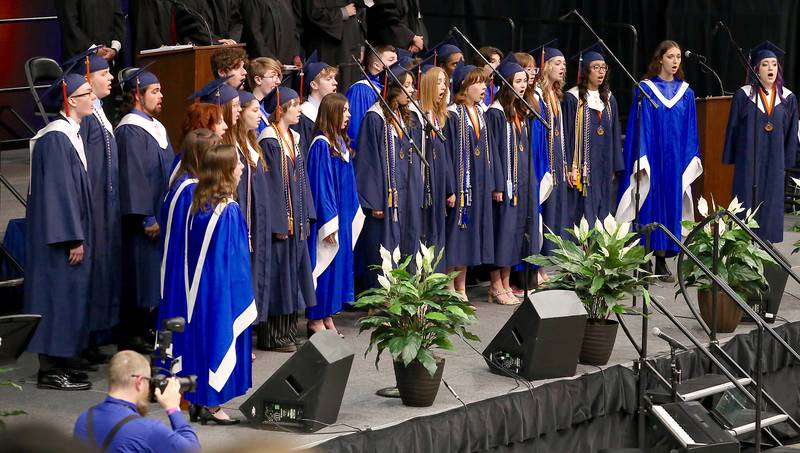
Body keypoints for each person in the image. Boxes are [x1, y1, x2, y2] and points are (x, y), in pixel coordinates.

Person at [25, 72, 97, 391]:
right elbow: (60, 192)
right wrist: (73, 237)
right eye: (87, 93)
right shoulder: (56, 137)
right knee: (55, 298)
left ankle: (63, 362)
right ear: (70, 100)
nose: (94, 98)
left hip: (67, 235)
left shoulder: (71, 134)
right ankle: (50, 369)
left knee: (69, 297)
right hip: (58, 240)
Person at [616, 40, 702, 281]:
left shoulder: (686, 93)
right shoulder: (645, 90)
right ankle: (644, 259)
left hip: (674, 161)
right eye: (671, 56)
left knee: (669, 206)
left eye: (678, 57)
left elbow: (690, 131)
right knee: (649, 203)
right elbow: (637, 127)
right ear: (660, 59)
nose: (675, 61)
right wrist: (641, 156)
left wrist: (688, 159)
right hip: (652, 157)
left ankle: (662, 260)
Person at [183, 144, 256, 424]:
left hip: (200, 288)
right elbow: (235, 262)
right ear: (226, 171)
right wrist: (245, 298)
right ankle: (212, 404)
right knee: (219, 334)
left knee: (204, 337)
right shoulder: (229, 211)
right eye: (237, 164)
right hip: (222, 289)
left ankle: (200, 398)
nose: (241, 168)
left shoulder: (198, 205)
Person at [64, 48, 122, 361]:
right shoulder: (84, 119)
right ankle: (84, 340)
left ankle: (93, 338)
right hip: (93, 203)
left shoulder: (98, 111)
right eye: (103, 73)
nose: (110, 77)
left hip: (105, 202)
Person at [116, 66, 174, 353]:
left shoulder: (156, 126)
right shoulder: (129, 130)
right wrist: (146, 216)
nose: (161, 96)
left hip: (161, 218)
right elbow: (132, 176)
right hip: (141, 224)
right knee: (139, 275)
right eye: (155, 91)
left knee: (153, 276)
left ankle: (148, 325)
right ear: (138, 96)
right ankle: (133, 333)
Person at [157, 129, 219, 379]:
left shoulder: (182, 183)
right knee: (181, 316)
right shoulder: (189, 191)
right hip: (184, 268)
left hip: (176, 264)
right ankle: (177, 377)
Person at [354, 63, 423, 289]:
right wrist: (374, 201)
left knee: (405, 240)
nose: (411, 91)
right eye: (407, 86)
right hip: (384, 196)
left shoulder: (406, 117)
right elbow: (367, 162)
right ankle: (380, 298)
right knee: (381, 245)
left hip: (405, 193)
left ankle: (403, 292)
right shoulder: (374, 118)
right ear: (393, 88)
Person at [723, 40, 799, 243]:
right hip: (748, 162)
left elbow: (792, 133)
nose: (770, 68)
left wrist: (788, 160)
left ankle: (766, 248)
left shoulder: (788, 98)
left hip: (775, 162)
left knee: (771, 202)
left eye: (774, 64)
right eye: (765, 64)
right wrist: (731, 156)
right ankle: (742, 246)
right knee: (746, 200)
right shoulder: (744, 95)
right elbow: (732, 128)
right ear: (756, 69)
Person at [259, 87, 316, 352]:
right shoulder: (269, 141)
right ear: (280, 110)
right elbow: (271, 186)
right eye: (294, 106)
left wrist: (307, 214)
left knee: (294, 276)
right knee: (279, 278)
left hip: (297, 221)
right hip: (282, 225)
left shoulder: (293, 137)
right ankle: (275, 336)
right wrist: (280, 222)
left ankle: (290, 331)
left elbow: (301, 179)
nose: (299, 110)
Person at [306, 93, 364, 336]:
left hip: (342, 215)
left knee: (336, 267)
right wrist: (329, 223)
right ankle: (315, 320)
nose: (349, 115)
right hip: (328, 219)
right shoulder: (321, 145)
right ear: (332, 113)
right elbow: (322, 187)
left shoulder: (338, 142)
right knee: (324, 266)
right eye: (345, 110)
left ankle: (327, 315)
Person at [443, 62, 502, 301]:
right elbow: (447, 153)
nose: (483, 87)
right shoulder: (452, 114)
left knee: (469, 235)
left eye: (484, 83)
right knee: (456, 233)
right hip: (461, 184)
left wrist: (492, 184)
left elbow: (489, 151)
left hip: (478, 183)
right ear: (463, 87)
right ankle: (449, 288)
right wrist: (450, 187)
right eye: (477, 83)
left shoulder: (480, 113)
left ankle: (461, 287)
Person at [73, 350, 200, 452]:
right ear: (139, 382)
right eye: (148, 381)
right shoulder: (148, 429)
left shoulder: (84, 419)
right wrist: (173, 408)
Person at [227, 91, 275, 350]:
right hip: (244, 218)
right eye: (254, 111)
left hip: (258, 217)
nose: (260, 116)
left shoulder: (251, 143)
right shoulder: (232, 147)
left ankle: (247, 336)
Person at [485, 54, 533, 305]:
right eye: (518, 81)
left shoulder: (518, 111)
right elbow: (492, 152)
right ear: (506, 83)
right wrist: (497, 184)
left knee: (513, 233)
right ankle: (495, 284)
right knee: (502, 233)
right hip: (503, 185)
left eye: (524, 80)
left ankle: (506, 282)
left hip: (519, 183)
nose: (523, 85)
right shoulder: (495, 113)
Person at [563, 43, 624, 225]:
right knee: (581, 213)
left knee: (603, 209)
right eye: (595, 67)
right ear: (585, 71)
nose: (601, 72)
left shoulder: (609, 99)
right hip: (582, 169)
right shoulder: (572, 98)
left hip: (604, 167)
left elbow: (615, 133)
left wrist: (615, 165)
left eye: (603, 67)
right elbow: (566, 133)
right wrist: (568, 166)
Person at [532, 40, 571, 256]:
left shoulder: (555, 95)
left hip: (556, 157)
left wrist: (564, 161)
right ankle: (541, 258)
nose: (563, 68)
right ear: (546, 66)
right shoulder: (538, 96)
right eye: (557, 63)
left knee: (555, 206)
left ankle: (552, 254)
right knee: (544, 205)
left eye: (564, 64)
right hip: (543, 157)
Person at [416, 65, 454, 272]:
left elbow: (445, 156)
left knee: (437, 234)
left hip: (438, 185)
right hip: (425, 186)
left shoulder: (438, 118)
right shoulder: (419, 117)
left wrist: (450, 189)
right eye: (438, 82)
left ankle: (437, 283)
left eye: (445, 83)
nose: (443, 87)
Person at [298, 0, 364, 88]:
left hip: (351, 47)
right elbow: (314, 14)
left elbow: (359, 12)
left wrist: (361, 45)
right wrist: (342, 12)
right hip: (329, 50)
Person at [345, 45, 398, 149]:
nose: (397, 64)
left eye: (397, 60)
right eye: (391, 60)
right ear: (377, 65)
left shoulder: (387, 89)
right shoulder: (361, 89)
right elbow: (357, 131)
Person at [294, 53, 338, 157]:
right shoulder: (303, 116)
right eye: (329, 79)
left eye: (334, 78)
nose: (335, 82)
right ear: (314, 85)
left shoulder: (330, 114)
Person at [55, 0, 125, 61]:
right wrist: (94, 49)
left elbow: (119, 20)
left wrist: (114, 49)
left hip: (110, 58)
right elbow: (69, 24)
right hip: (80, 60)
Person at [240, 0, 302, 66]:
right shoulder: (253, 2)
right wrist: (270, 58)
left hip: (288, 63)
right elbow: (254, 33)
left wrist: (295, 55)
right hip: (264, 64)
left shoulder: (286, 2)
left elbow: (293, 29)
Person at [174, 0, 242, 46]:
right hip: (201, 53)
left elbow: (236, 21)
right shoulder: (187, 2)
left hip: (227, 52)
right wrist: (219, 42)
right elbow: (191, 28)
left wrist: (232, 40)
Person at [247, 57, 283, 136]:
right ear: (258, 80)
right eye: (273, 76)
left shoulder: (269, 106)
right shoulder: (248, 110)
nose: (278, 81)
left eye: (278, 76)